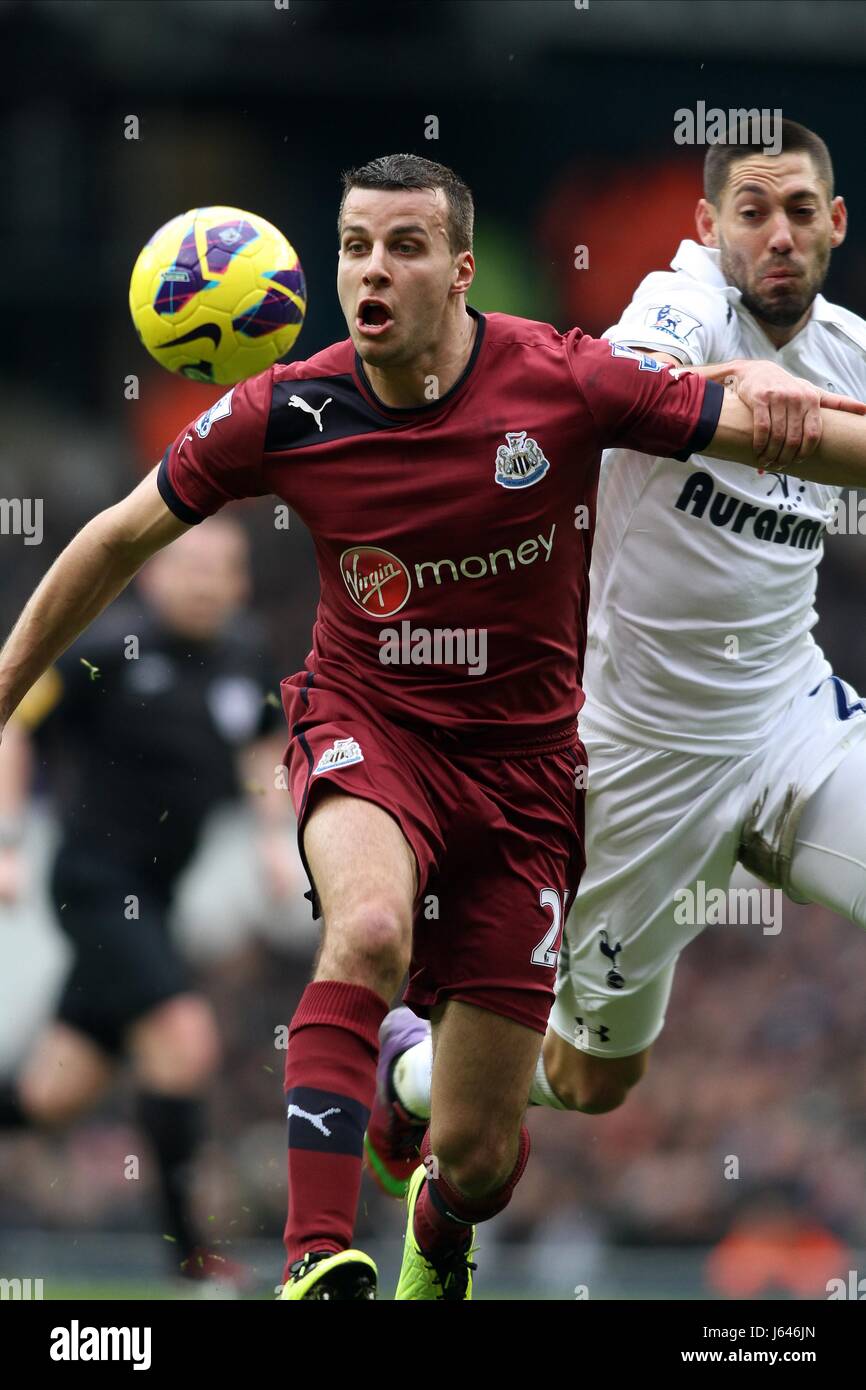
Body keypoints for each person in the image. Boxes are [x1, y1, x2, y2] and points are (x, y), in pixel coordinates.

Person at [1, 152, 864, 1302]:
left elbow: (766, 430)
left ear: (461, 272)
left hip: (526, 779)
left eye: (404, 246)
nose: (373, 268)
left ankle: (433, 1199)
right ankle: (314, 1260)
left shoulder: (559, 381)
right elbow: (115, 536)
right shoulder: (284, 409)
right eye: (355, 245)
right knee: (363, 930)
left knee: (482, 1150)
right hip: (372, 730)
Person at [368, 122, 866, 1187]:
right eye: (749, 211)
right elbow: (622, 392)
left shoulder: (846, 350)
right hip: (641, 761)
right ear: (707, 227)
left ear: (833, 223)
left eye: (796, 212)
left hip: (791, 721)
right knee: (594, 1079)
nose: (774, 235)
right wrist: (726, 384)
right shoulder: (676, 300)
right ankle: (407, 1075)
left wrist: (796, 408)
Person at [0, 516, 295, 1282]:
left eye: (220, 568)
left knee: (51, 1094)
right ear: (152, 574)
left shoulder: (244, 654)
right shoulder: (104, 647)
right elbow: (13, 721)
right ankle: (191, 1261)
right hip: (93, 884)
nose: (203, 581)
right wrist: (5, 840)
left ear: (240, 581)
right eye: (188, 564)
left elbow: (265, 746)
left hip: (155, 901)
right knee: (184, 1038)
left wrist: (273, 834)